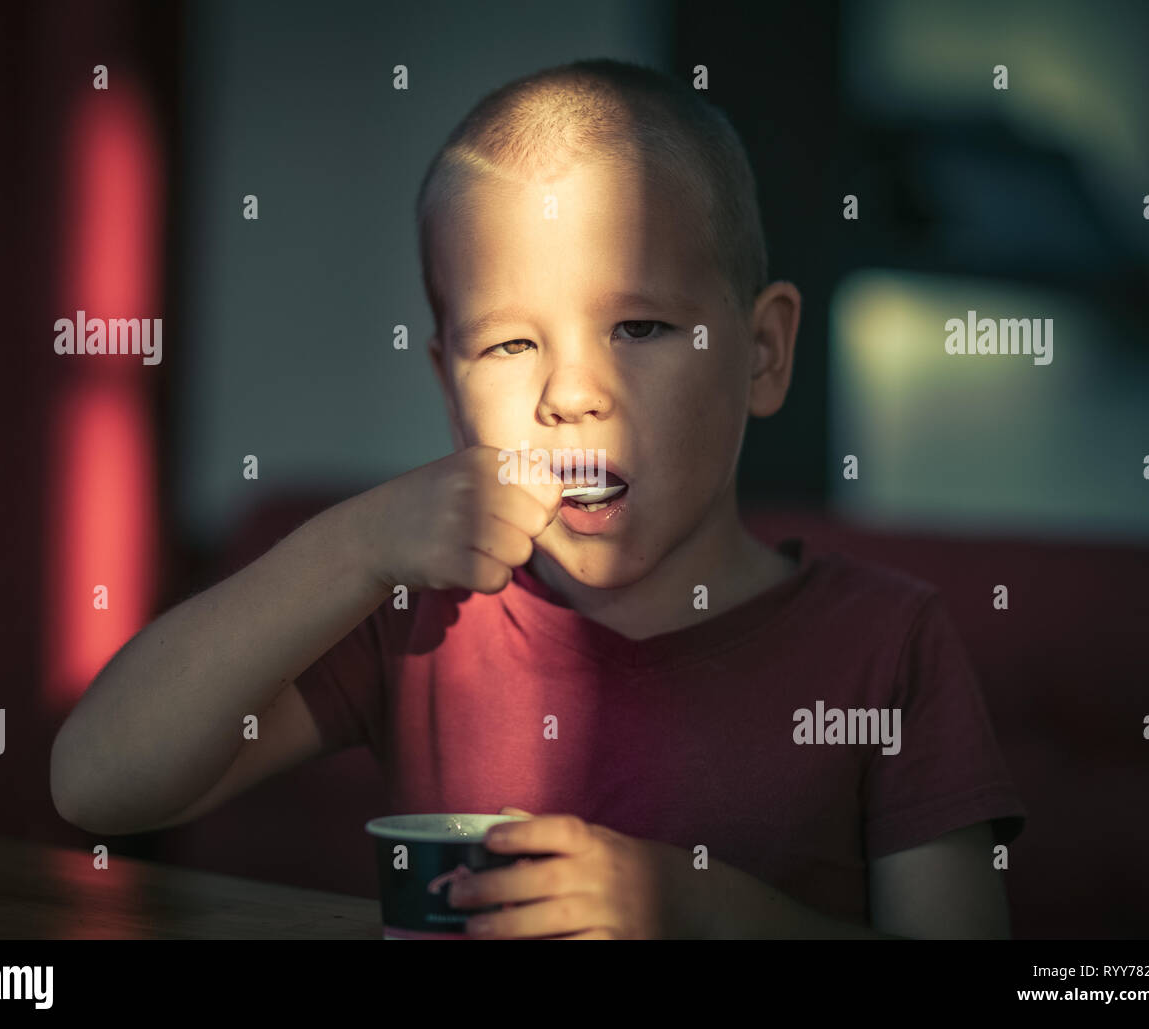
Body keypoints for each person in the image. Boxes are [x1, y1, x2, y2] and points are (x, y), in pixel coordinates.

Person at [52, 58, 1025, 939]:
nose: (567, 395)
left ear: (761, 354)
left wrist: (697, 911)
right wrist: (347, 550)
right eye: (510, 346)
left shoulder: (888, 645)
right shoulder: (418, 617)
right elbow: (97, 786)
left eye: (638, 327)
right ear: (448, 386)